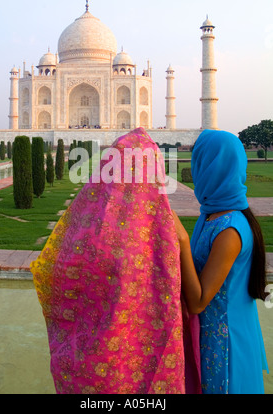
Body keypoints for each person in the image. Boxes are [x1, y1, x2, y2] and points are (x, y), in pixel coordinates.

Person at [30, 128, 201, 395]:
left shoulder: (86, 226)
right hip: (145, 364)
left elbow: (50, 268)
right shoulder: (164, 230)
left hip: (92, 371)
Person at [172, 129, 269, 394]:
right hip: (209, 335)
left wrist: (180, 240)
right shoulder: (211, 215)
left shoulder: (230, 229)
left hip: (227, 343)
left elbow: (199, 301)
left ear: (212, 167)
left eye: (199, 162)